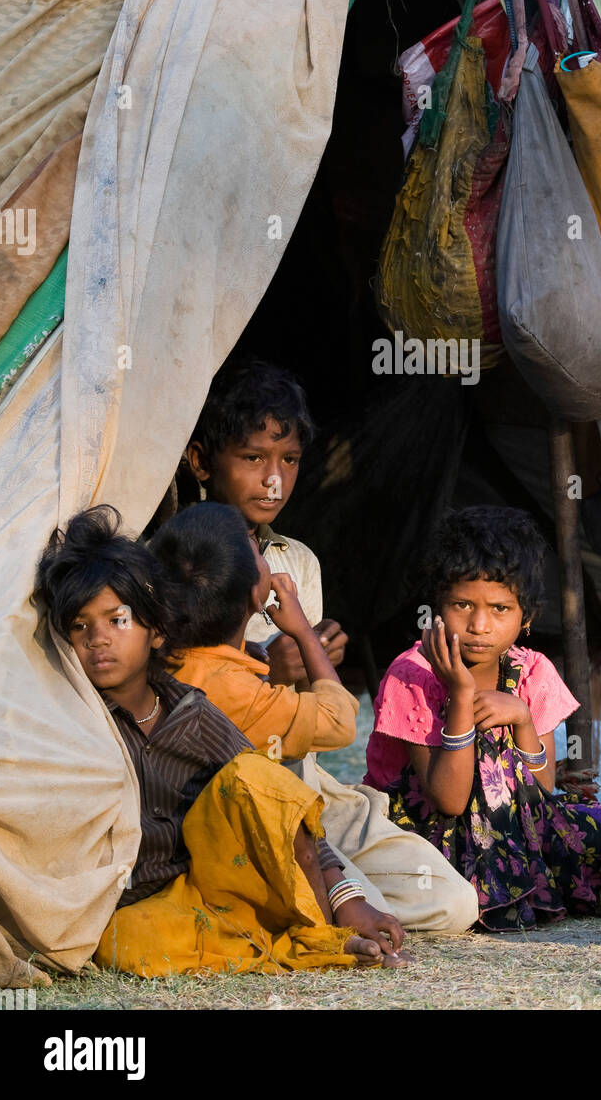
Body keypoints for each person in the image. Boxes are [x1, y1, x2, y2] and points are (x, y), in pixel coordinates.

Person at [33, 505, 408, 976]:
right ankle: (284, 948)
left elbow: (277, 805)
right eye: (80, 627)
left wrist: (342, 891)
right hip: (150, 903)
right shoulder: (79, 721)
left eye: (118, 619)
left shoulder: (192, 710)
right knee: (123, 945)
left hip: (218, 881)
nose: (98, 640)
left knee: (254, 773)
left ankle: (313, 932)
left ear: (156, 629)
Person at [181, 356, 479, 933]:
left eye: (288, 460)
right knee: (335, 901)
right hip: (234, 797)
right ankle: (326, 897)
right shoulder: (174, 560)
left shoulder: (297, 561)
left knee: (450, 902)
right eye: (252, 458)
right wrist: (271, 671)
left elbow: (326, 715)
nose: (274, 480)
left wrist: (314, 662)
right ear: (200, 460)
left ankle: (326, 894)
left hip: (311, 789)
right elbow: (176, 702)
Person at [151, 501, 408, 959]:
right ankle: (326, 912)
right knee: (388, 904)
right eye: (255, 546)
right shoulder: (238, 691)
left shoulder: (163, 665)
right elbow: (339, 722)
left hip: (191, 852)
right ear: (256, 594)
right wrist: (303, 631)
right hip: (233, 867)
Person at [365, 506, 601, 931]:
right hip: (430, 829)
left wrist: (524, 721)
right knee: (488, 752)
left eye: (499, 609)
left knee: (597, 825)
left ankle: (513, 878)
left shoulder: (533, 672)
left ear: (525, 617)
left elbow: (542, 791)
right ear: (437, 606)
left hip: (514, 823)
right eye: (462, 604)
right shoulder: (412, 675)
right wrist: (460, 696)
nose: (479, 624)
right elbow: (448, 801)